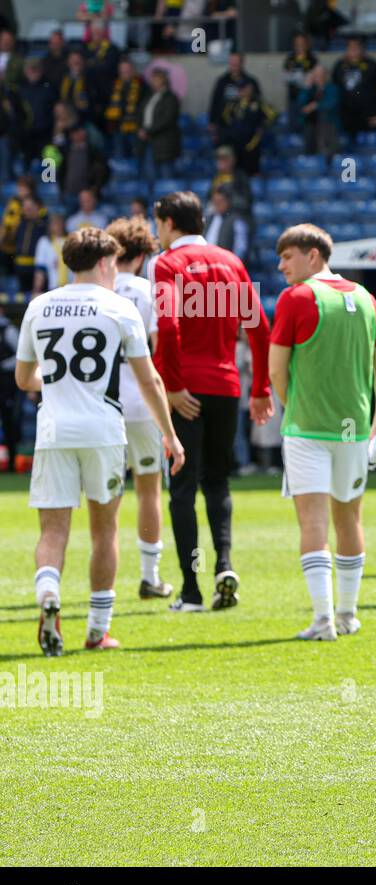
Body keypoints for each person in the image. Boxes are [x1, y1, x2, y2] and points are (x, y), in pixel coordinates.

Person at [16, 226, 184, 655]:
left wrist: (56, 381)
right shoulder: (120, 308)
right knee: (104, 529)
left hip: (54, 430)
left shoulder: (39, 306)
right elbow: (149, 381)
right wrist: (169, 434)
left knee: (53, 532)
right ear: (107, 262)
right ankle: (97, 630)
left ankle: (49, 592)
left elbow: (23, 379)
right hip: (103, 432)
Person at [269, 224, 376, 641]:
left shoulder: (297, 298)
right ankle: (348, 614)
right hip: (355, 429)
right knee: (350, 517)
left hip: (307, 428)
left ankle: (323, 620)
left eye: (287, 256)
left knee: (312, 522)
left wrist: (294, 405)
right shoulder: (365, 297)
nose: (281, 265)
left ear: (312, 255)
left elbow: (276, 369)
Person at [151, 190, 273, 611]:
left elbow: (167, 328)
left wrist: (171, 384)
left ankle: (191, 591)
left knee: (182, 488)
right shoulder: (231, 262)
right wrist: (260, 388)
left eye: (158, 223)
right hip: (226, 386)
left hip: (186, 389)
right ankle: (224, 564)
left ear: (169, 222)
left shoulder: (166, 264)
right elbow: (259, 329)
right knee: (217, 481)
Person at [107, 215, 174, 599]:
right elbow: (158, 350)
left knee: (109, 496)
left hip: (106, 406)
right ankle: (150, 577)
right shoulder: (150, 292)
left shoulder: (99, 291)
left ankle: (107, 581)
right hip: (144, 402)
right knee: (149, 491)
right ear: (144, 252)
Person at [332, 35, 376, 141]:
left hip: (368, 112)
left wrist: (374, 101)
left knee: (369, 141)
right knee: (347, 142)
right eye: (350, 48)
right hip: (346, 112)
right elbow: (335, 85)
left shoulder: (372, 65)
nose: (353, 51)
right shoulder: (340, 65)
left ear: (362, 49)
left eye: (356, 47)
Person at [139, 67, 180, 184]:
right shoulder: (150, 96)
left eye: (155, 79)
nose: (152, 82)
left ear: (163, 80)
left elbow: (167, 120)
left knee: (166, 179)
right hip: (149, 143)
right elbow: (141, 114)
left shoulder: (171, 98)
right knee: (150, 178)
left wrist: (148, 130)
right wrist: (142, 130)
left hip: (165, 144)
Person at [282, 32, 318, 129]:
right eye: (297, 43)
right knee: (293, 120)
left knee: (307, 123)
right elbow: (285, 74)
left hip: (308, 96)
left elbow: (316, 76)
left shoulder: (312, 58)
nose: (300, 45)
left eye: (302, 42)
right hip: (293, 95)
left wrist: (304, 78)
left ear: (306, 44)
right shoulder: (290, 58)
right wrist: (293, 77)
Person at [203, 186, 250, 260]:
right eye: (215, 201)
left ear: (228, 201)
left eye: (221, 201)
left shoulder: (236, 221)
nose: (217, 204)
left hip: (225, 264)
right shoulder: (207, 218)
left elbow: (240, 249)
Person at [33, 214, 69, 290]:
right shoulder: (44, 242)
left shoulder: (71, 240)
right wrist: (36, 289)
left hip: (72, 287)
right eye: (54, 223)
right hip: (54, 287)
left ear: (64, 225)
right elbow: (40, 269)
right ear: (49, 226)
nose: (58, 226)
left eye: (59, 223)